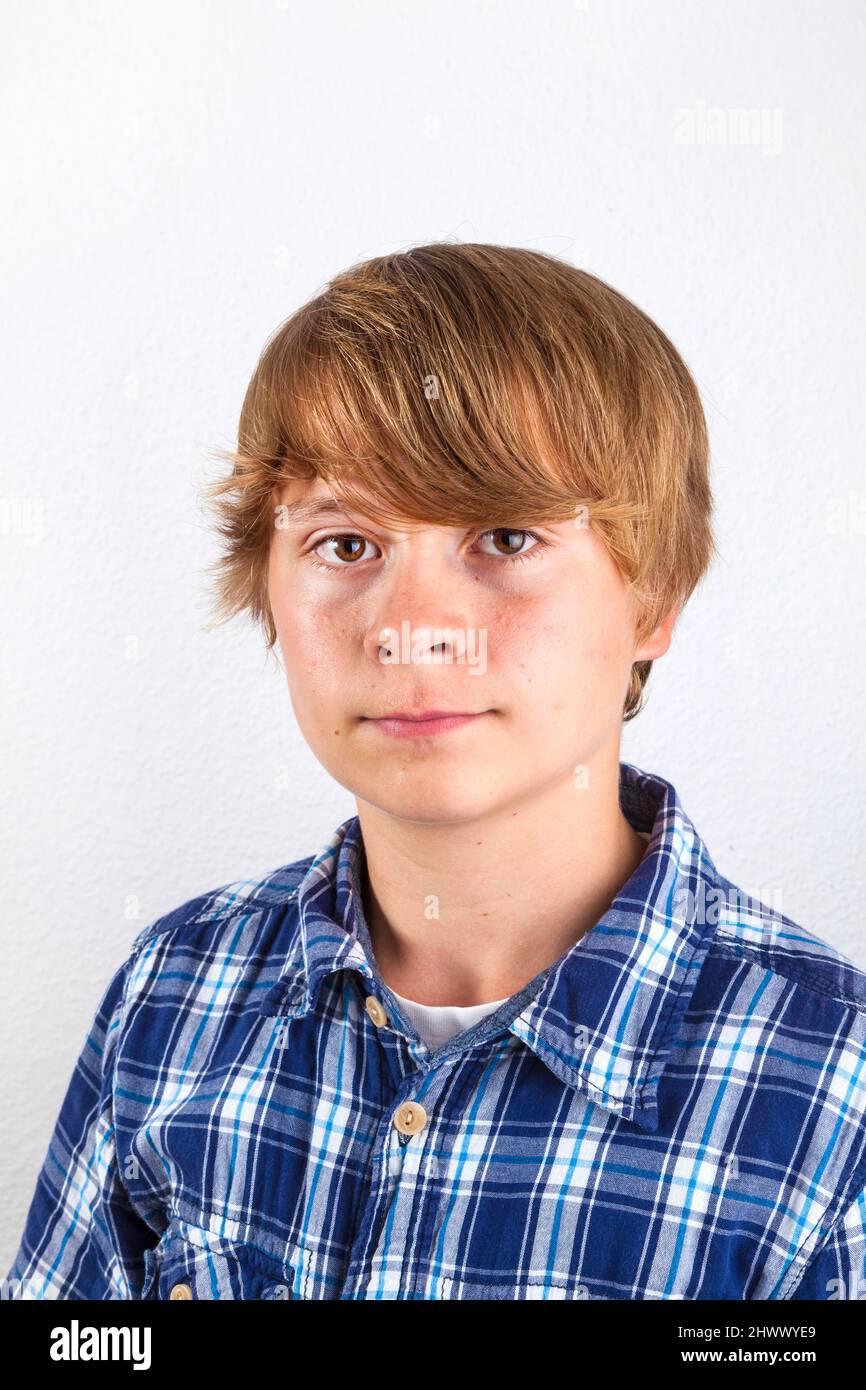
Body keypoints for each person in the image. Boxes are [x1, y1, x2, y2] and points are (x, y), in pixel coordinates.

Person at [6, 243, 865, 1301]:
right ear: (269, 588)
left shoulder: (833, 1087)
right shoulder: (171, 995)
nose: (412, 630)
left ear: (652, 600)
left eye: (503, 536)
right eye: (346, 545)